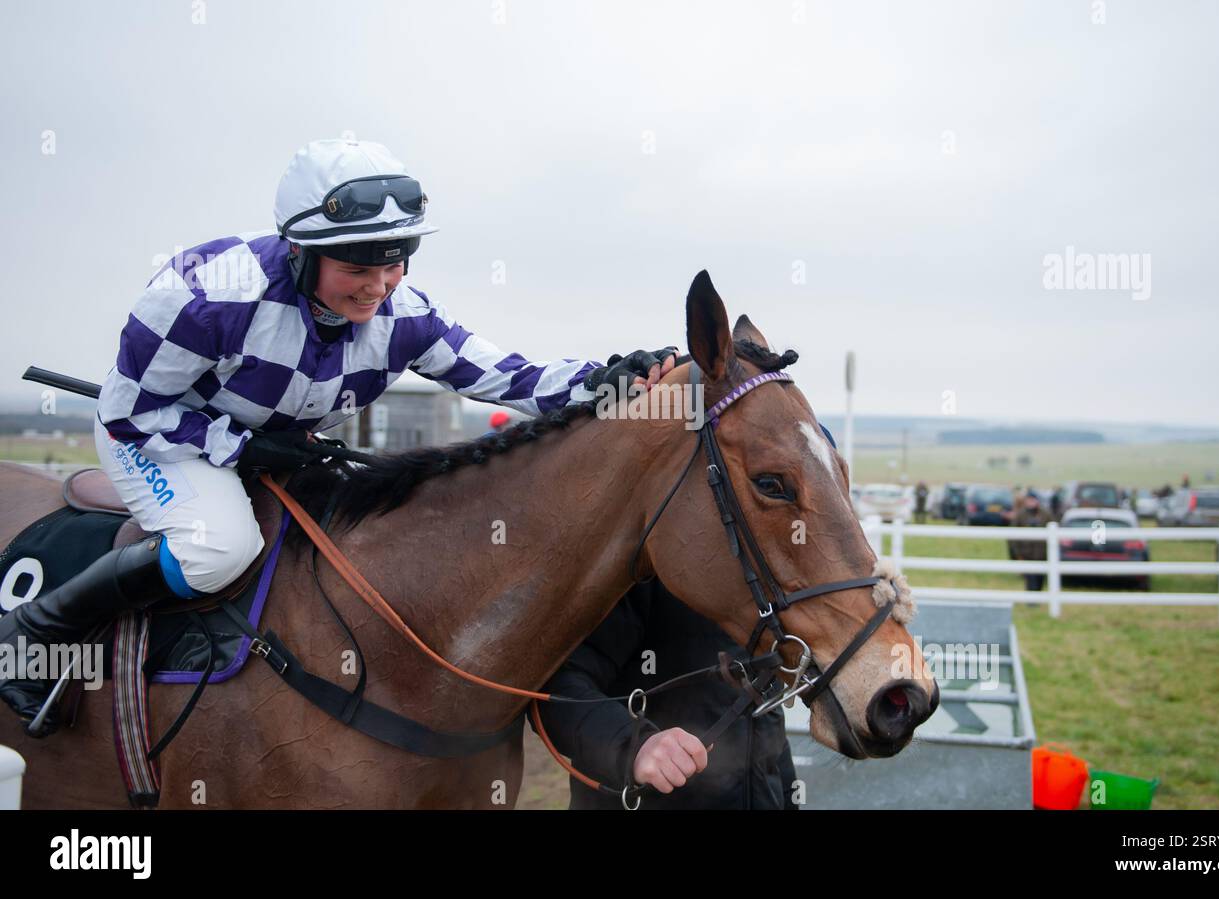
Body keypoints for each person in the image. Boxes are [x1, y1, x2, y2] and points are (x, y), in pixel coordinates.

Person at [0, 138, 676, 736]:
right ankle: (40, 628)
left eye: (397, 261)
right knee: (219, 547)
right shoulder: (204, 295)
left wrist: (608, 380)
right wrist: (238, 447)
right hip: (161, 437)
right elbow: (129, 410)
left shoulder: (402, 315)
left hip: (272, 447)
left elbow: (510, 377)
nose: (380, 286)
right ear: (299, 250)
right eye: (358, 266)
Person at [534, 577, 800, 810]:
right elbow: (557, 689)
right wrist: (634, 745)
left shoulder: (764, 581)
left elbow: (767, 725)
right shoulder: (637, 568)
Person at [1008, 494, 1051, 591]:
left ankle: (1037, 597)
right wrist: (1017, 553)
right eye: (1029, 500)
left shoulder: (1045, 514)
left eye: (1033, 500)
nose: (1031, 503)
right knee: (1030, 578)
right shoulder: (1021, 514)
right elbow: (1013, 533)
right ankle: (1031, 600)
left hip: (1041, 553)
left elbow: (1053, 526)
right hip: (1026, 552)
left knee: (1040, 577)